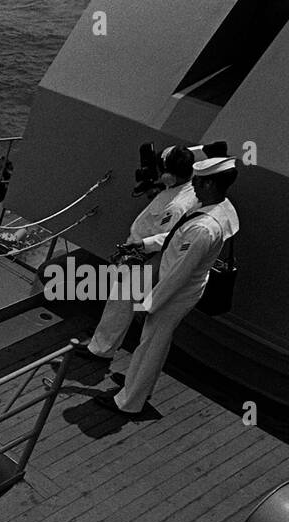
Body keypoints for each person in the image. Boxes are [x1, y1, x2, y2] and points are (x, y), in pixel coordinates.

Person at [98, 156, 240, 415]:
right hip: (181, 289)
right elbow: (175, 235)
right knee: (156, 342)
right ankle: (140, 386)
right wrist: (144, 244)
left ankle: (129, 402)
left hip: (175, 293)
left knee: (151, 345)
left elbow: (179, 274)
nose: (193, 186)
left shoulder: (204, 229)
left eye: (198, 182)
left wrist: (149, 304)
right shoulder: (217, 207)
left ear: (209, 185)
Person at [82, 145, 198, 361]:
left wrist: (137, 251)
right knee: (119, 301)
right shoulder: (185, 187)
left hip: (144, 257)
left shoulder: (178, 206)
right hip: (140, 254)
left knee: (121, 302)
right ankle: (105, 338)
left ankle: (101, 349)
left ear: (169, 176)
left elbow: (166, 238)